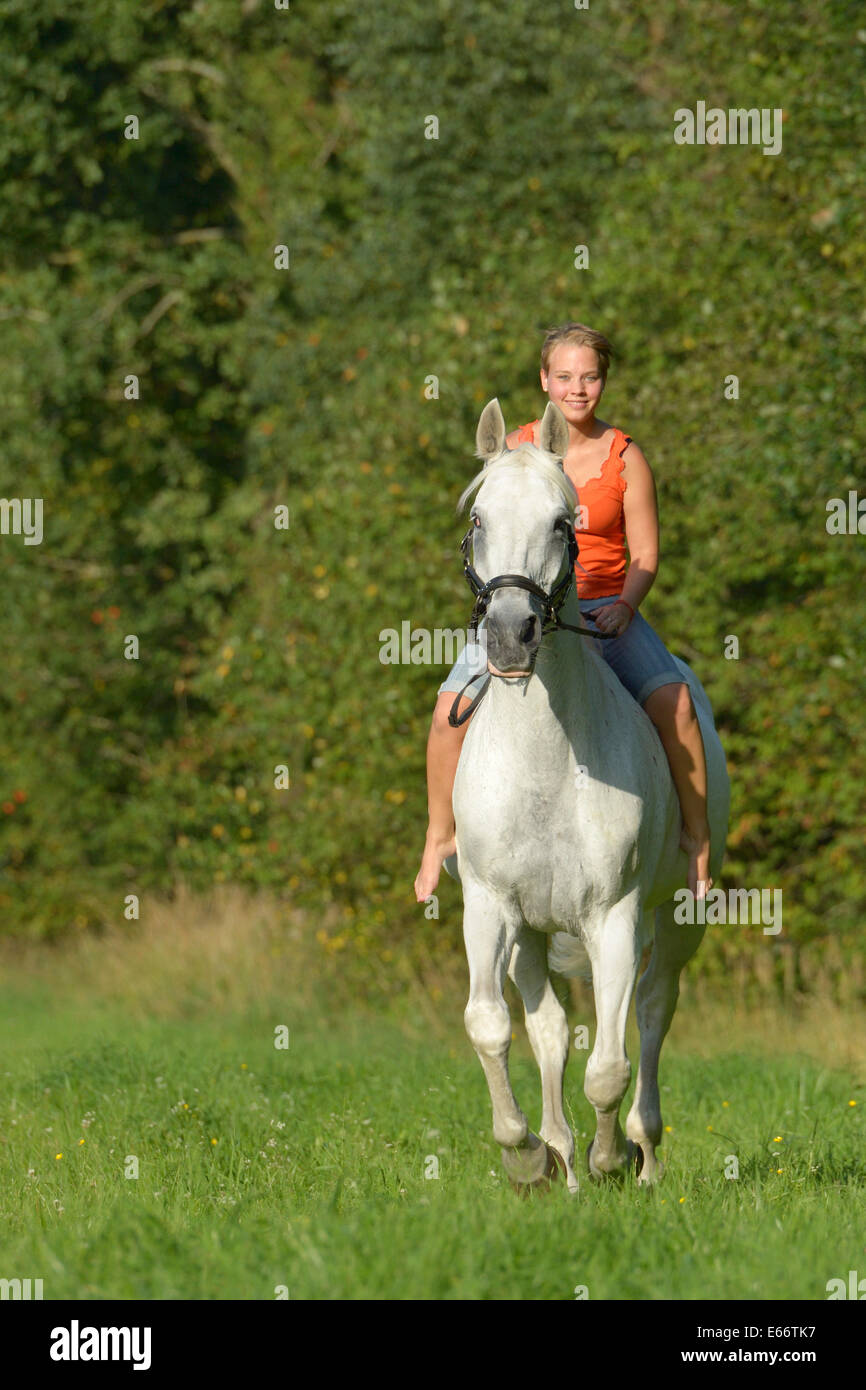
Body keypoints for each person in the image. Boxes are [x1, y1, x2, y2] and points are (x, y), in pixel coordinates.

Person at [414, 322, 712, 907]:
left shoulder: (625, 457)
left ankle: (697, 839)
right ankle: (438, 835)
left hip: (602, 607)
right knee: (449, 709)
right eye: (566, 377)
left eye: (591, 376)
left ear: (603, 381)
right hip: (524, 607)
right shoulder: (514, 451)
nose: (578, 389)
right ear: (545, 380)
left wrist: (627, 606)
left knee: (676, 704)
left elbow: (646, 554)